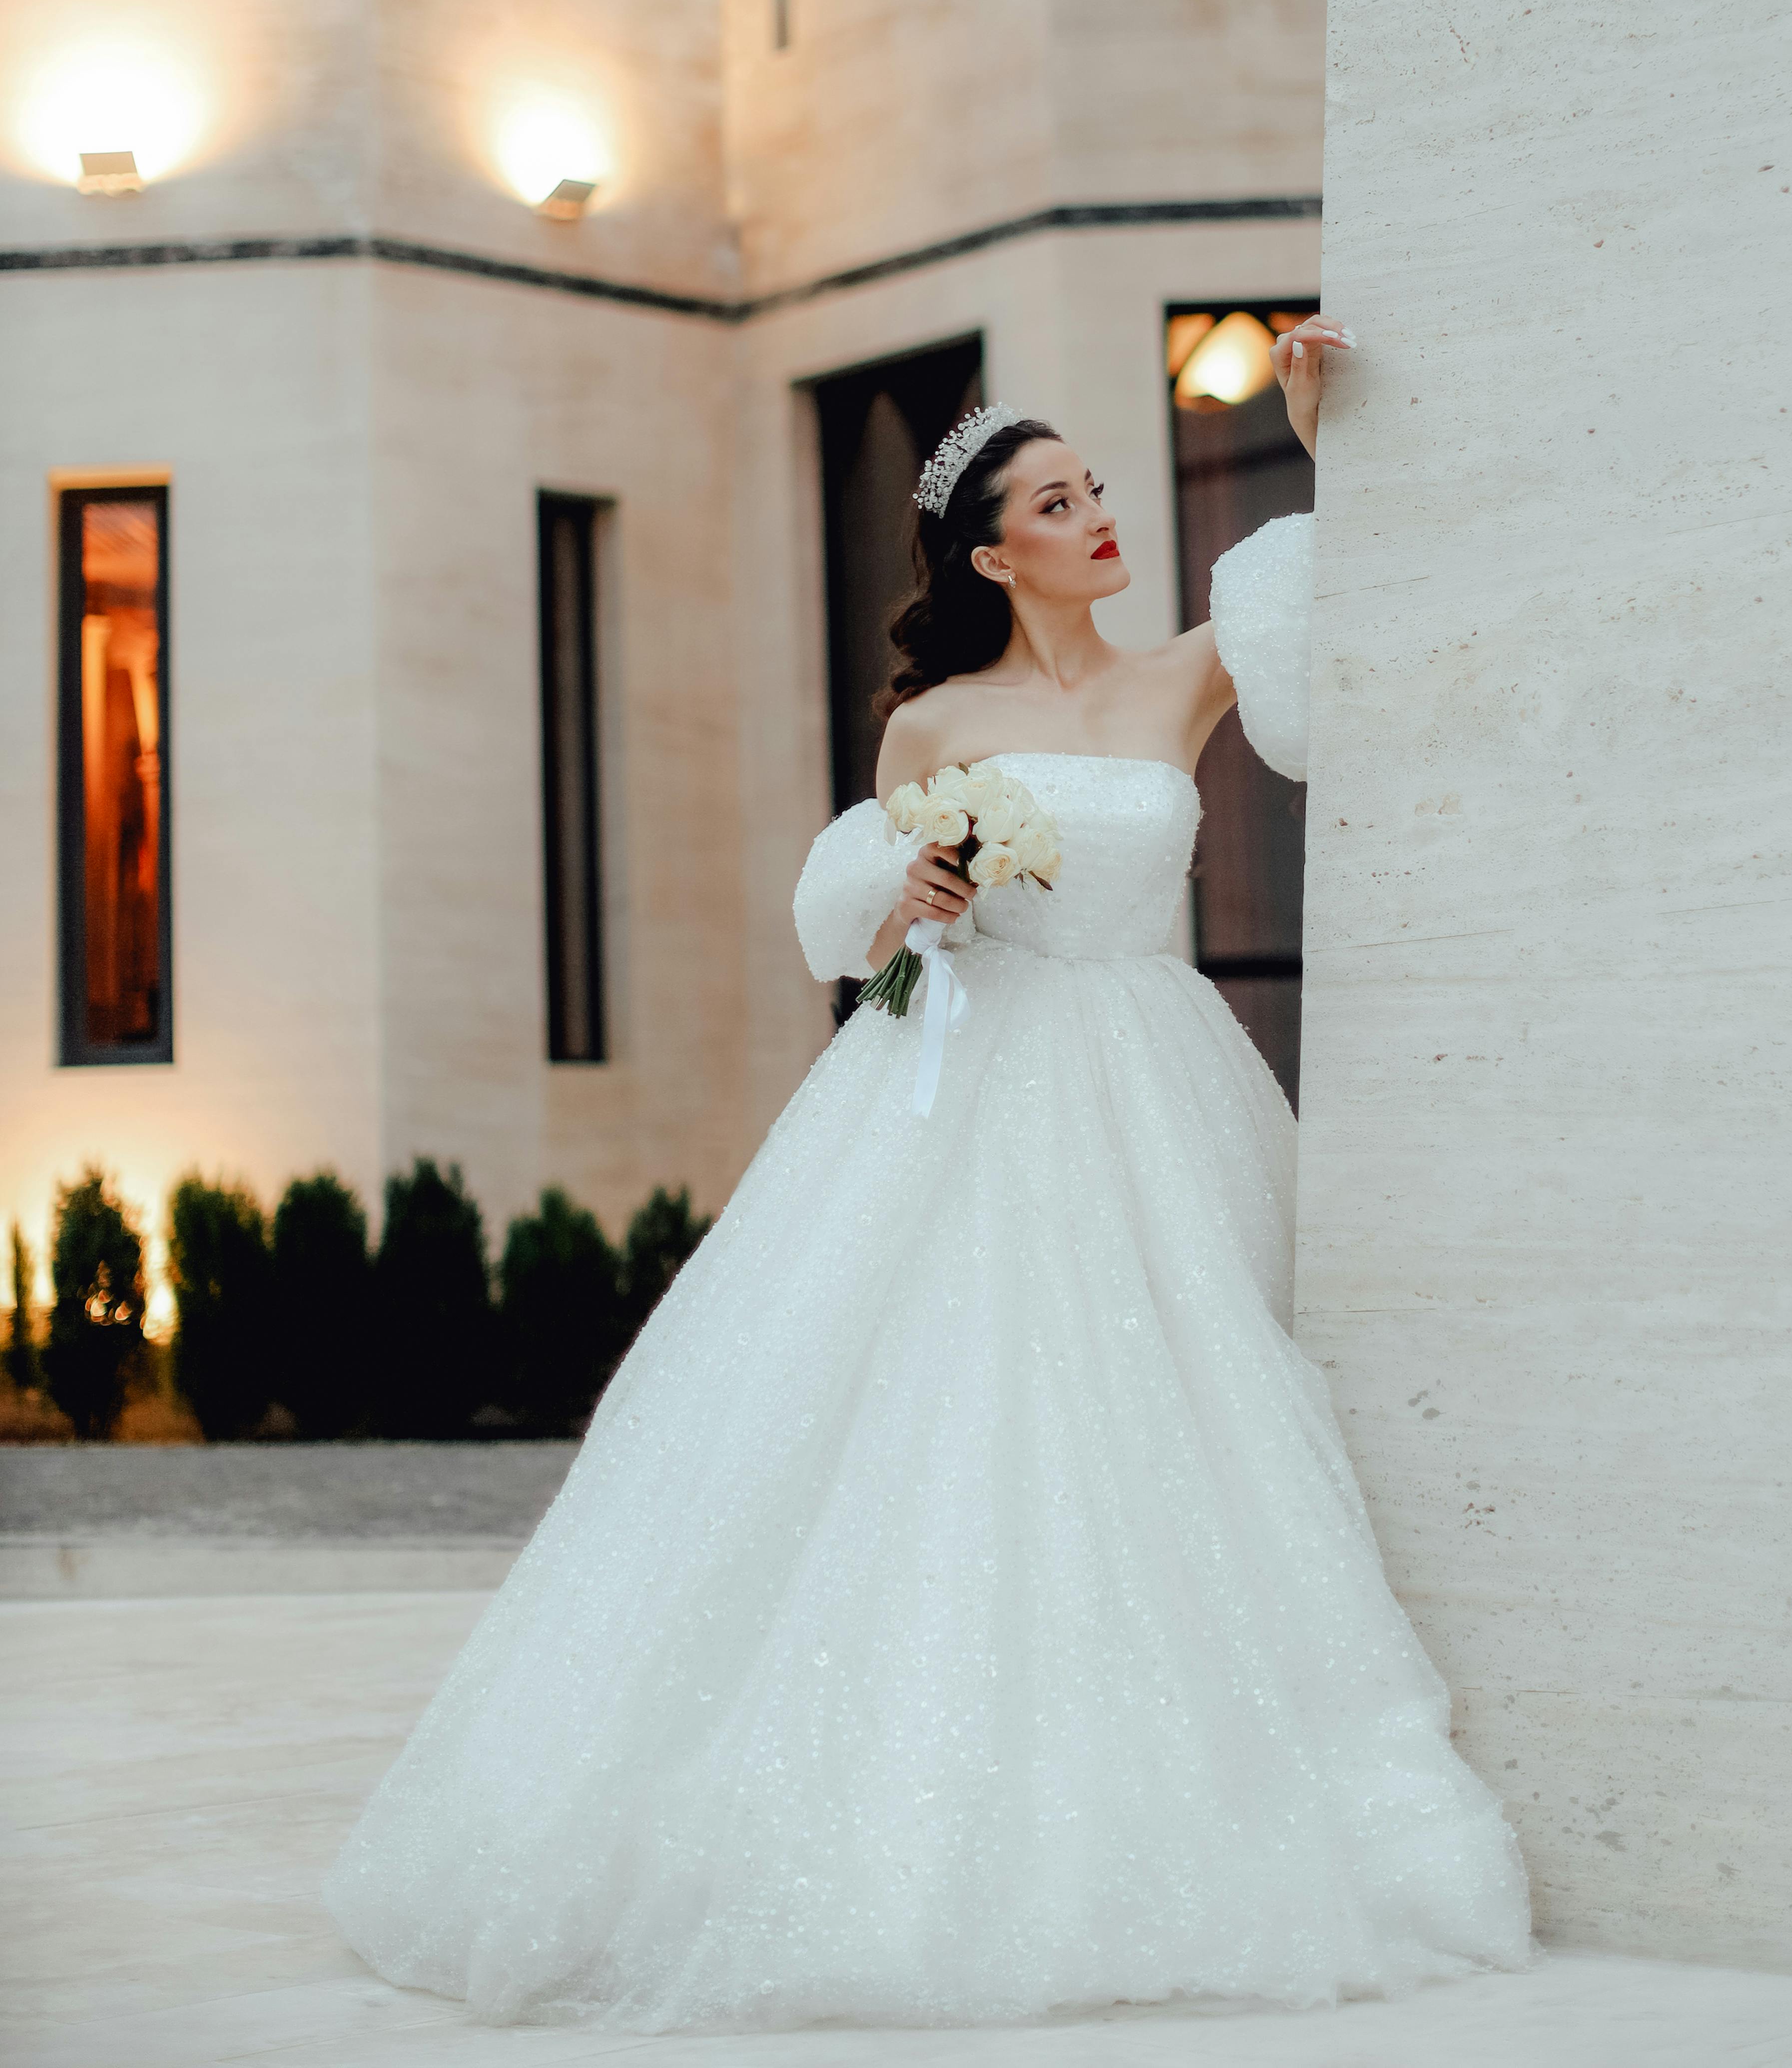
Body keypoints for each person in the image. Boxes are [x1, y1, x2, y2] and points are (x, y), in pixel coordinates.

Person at [325, 320, 1532, 2030]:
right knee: (938, 1413)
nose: (1103, 515)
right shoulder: (931, 725)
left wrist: (1322, 440)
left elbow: (1349, 640)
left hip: (1148, 1079)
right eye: (1061, 500)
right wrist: (917, 913)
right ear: (993, 552)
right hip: (966, 1085)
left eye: (1099, 487)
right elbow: (876, 950)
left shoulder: (1185, 671)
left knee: (1181, 1407)